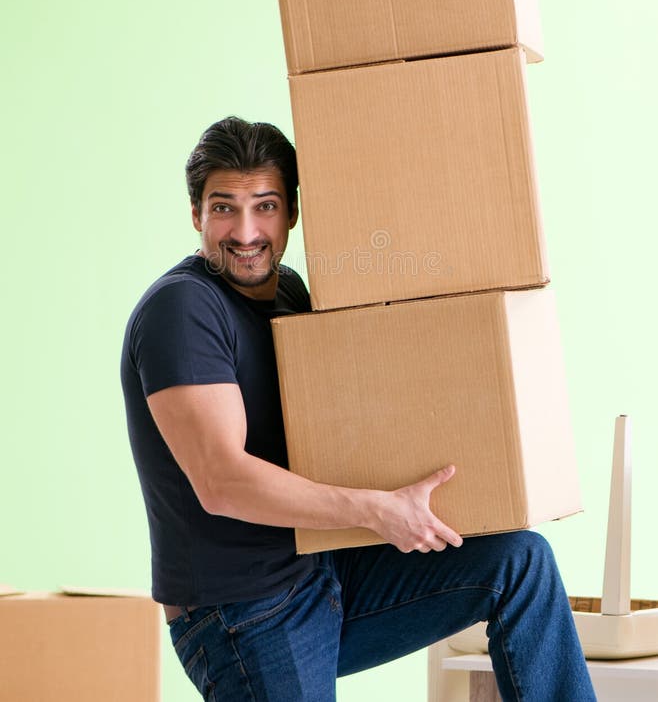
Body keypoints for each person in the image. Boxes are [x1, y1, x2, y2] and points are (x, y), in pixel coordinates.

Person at [121, 116, 596, 701]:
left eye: (265, 206)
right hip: (245, 611)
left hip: (323, 574)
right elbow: (221, 481)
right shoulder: (183, 310)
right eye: (224, 208)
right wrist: (377, 511)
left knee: (518, 563)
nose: (246, 231)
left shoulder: (287, 292)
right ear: (196, 214)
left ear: (292, 211)